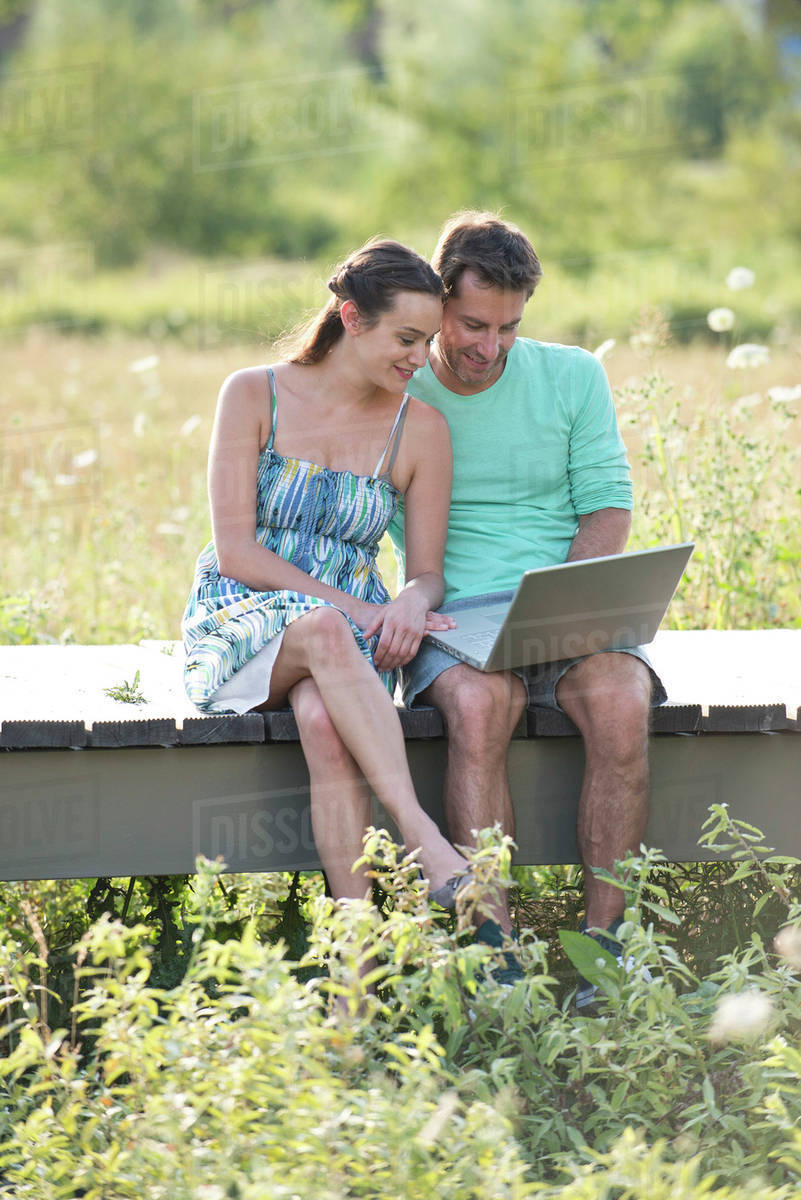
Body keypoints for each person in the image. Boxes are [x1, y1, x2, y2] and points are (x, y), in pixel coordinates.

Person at [387, 212, 667, 1007]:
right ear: (436, 301)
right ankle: (493, 953)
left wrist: (567, 602)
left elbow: (606, 507)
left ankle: (604, 954)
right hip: (455, 613)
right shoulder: (400, 385)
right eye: (472, 324)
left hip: (560, 599)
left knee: (620, 696)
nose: (488, 346)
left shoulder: (572, 375)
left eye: (509, 328)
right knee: (478, 707)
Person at [181, 237, 470, 910]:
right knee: (324, 630)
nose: (418, 359)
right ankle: (423, 837)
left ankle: (354, 975)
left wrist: (404, 603)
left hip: (350, 635)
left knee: (321, 725)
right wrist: (359, 613)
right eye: (405, 337)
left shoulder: (420, 428)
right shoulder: (253, 394)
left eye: (427, 342)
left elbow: (427, 575)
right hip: (243, 616)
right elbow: (236, 552)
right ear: (350, 317)